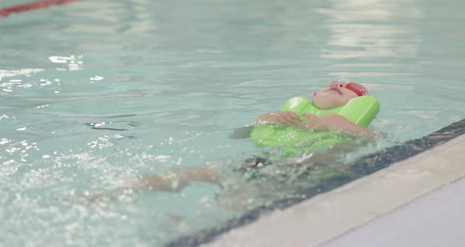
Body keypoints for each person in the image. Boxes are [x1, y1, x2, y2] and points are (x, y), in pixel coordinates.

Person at [62, 80, 379, 203]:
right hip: (262, 161)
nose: (339, 83)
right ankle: (109, 194)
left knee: (244, 196)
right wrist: (264, 120)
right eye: (331, 82)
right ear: (313, 96)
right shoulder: (284, 115)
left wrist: (339, 124)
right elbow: (240, 135)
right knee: (192, 173)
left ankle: (199, 229)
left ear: (358, 103)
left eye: (350, 86)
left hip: (305, 171)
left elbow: (377, 142)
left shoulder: (349, 123)